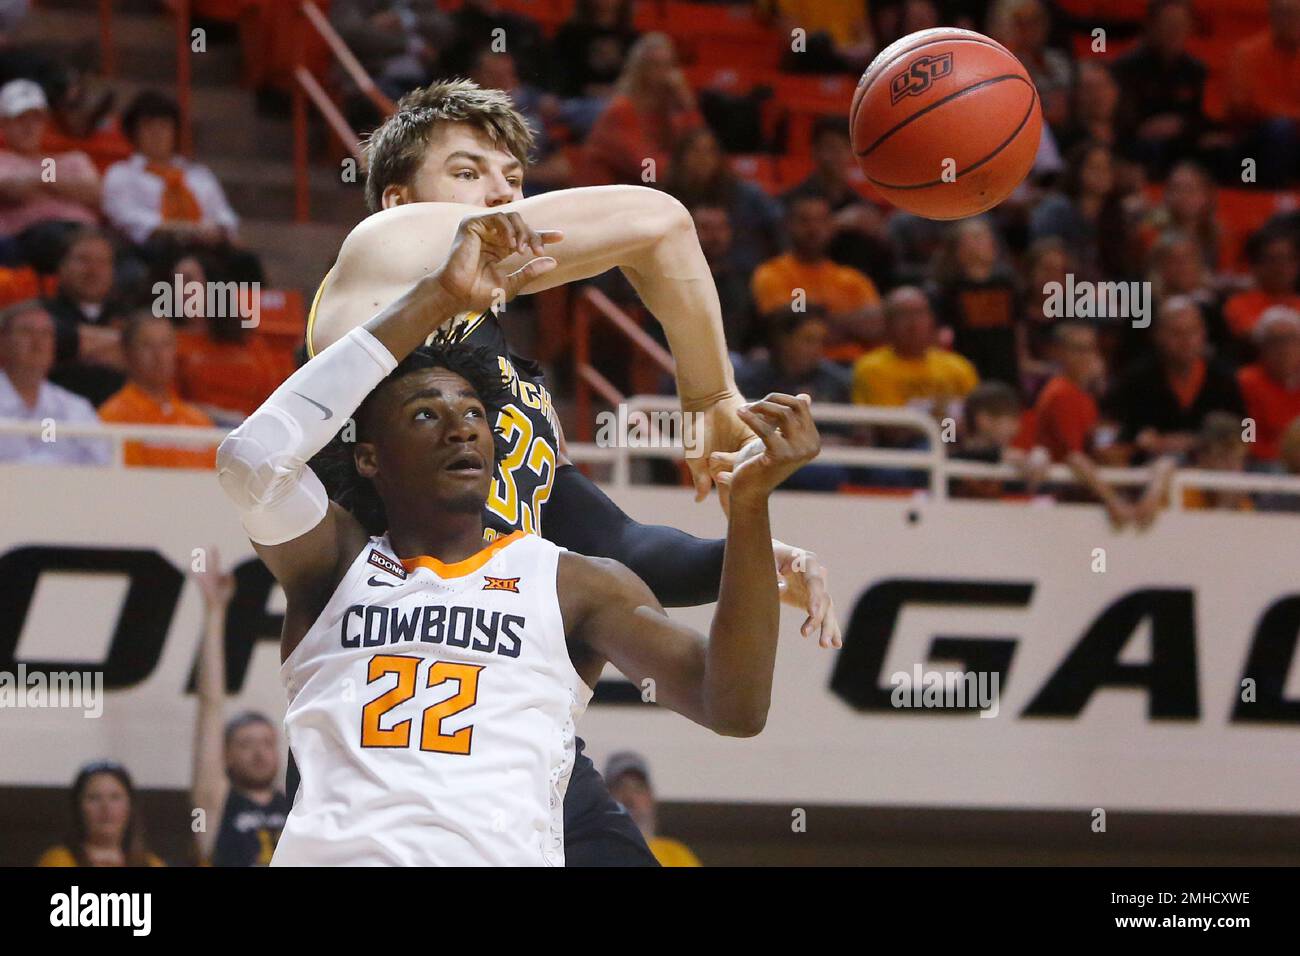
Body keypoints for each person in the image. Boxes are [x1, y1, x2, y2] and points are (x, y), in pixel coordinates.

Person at [298, 79, 840, 867]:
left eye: (514, 178)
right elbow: (659, 221)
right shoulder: (378, 258)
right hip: (388, 696)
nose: (500, 191)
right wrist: (710, 395)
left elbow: (610, 539)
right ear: (395, 197)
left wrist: (750, 558)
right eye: (466, 171)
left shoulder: (499, 391)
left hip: (511, 698)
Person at [191, 549, 290, 866]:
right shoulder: (217, 804)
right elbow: (211, 706)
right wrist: (215, 612)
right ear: (226, 757)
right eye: (246, 744)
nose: (259, 753)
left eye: (266, 742)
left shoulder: (297, 807)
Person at [101, 91, 259, 284]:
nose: (157, 134)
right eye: (149, 127)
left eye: (164, 127)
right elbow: (127, 218)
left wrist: (218, 231)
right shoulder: (120, 173)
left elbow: (223, 214)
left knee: (245, 261)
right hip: (154, 249)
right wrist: (184, 229)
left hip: (205, 246)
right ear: (134, 132)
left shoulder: (198, 174)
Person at [1029, 322, 1171, 528]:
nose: (1088, 357)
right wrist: (1113, 501)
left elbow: (1097, 446)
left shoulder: (1086, 396)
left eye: (1091, 349)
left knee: (1165, 464)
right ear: (1060, 353)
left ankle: (1148, 508)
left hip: (1089, 482)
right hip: (1066, 493)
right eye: (1079, 349)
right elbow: (1074, 457)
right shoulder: (1060, 393)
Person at [1106, 296, 1246, 464]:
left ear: (1203, 334)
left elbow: (1247, 427)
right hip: (1152, 467)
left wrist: (1203, 441)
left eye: (1192, 332)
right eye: (1175, 333)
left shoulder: (1225, 378)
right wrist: (1140, 438)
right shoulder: (1136, 379)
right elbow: (1118, 430)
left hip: (1212, 467)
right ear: (1157, 335)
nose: (1185, 340)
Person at [751, 193, 882, 363]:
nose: (813, 228)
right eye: (804, 221)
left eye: (821, 221)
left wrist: (816, 321)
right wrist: (849, 323)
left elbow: (875, 328)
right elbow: (787, 330)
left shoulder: (853, 279)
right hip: (800, 368)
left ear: (832, 226)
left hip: (854, 367)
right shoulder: (772, 273)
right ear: (788, 225)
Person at [97, 312, 217, 469]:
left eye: (166, 344)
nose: (159, 355)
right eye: (147, 345)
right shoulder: (113, 417)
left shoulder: (198, 421)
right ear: (127, 353)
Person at [582, 33, 704, 187]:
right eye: (654, 65)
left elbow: (699, 145)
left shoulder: (669, 109)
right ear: (639, 69)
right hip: (607, 194)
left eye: (668, 65)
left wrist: (687, 105)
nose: (664, 73)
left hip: (644, 187)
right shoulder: (621, 110)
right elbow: (646, 167)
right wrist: (690, 173)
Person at [0, 300, 108, 465]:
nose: (37, 342)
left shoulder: (75, 408)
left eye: (46, 333)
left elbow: (104, 467)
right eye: (26, 332)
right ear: (3, 341)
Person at [1109, 0, 1208, 177]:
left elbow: (1201, 118)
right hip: (1137, 139)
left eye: (1180, 25)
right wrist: (1147, 127)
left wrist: (1181, 125)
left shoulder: (1195, 70)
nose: (1175, 32)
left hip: (1182, 139)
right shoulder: (1126, 68)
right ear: (1151, 26)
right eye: (1168, 25)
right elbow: (1119, 118)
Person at [0, 79, 99, 250]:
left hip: (85, 232)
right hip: (30, 237)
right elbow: (10, 190)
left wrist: (42, 183)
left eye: (36, 119)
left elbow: (96, 195)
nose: (29, 127)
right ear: (3, 123)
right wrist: (60, 184)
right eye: (20, 119)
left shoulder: (73, 159)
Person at [852, 286, 978, 416]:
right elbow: (892, 429)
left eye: (920, 313)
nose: (913, 323)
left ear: (932, 320)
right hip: (914, 436)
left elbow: (976, 417)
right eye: (903, 315)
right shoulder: (872, 368)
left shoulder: (958, 366)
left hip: (951, 435)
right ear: (887, 323)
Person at [931, 217, 1021, 389]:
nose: (987, 242)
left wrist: (1022, 360)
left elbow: (1018, 328)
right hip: (966, 367)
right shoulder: (948, 288)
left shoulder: (1007, 282)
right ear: (958, 248)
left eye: (987, 236)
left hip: (1005, 367)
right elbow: (942, 335)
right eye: (977, 237)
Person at [42, 226, 128, 405]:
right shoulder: (40, 313)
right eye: (83, 260)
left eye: (102, 262)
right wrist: (121, 343)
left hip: (120, 420)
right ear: (61, 266)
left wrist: (72, 348)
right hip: (57, 418)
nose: (93, 270)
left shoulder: (129, 314)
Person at [1226, 0, 1300, 187]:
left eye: (1294, 13)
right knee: (1280, 129)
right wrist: (1286, 116)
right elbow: (1240, 106)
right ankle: (1272, 194)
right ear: (1271, 15)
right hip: (1256, 135)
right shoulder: (1246, 53)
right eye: (1283, 13)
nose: (1289, 20)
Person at [36, 761, 165, 867]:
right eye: (94, 798)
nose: (106, 807)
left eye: (115, 797)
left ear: (130, 806)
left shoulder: (152, 864)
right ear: (78, 808)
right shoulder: (57, 861)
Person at [604, 751, 701, 867]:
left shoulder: (676, 856)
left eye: (638, 788)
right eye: (620, 788)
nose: (629, 798)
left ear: (650, 796)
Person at [1238, 306, 1300, 463]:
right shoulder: (1247, 382)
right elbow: (1247, 432)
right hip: (1264, 462)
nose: (1285, 349)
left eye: (1291, 340)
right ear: (1262, 347)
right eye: (1276, 342)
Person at [1222, 232, 1300, 343]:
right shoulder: (1239, 304)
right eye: (1274, 260)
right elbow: (1261, 338)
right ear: (1256, 266)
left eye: (1290, 258)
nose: (1283, 266)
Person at [1182, 412, 1254, 512]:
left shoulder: (1242, 501)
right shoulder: (1184, 489)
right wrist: (1224, 507)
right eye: (1223, 458)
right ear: (1203, 459)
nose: (1232, 466)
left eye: (1238, 459)